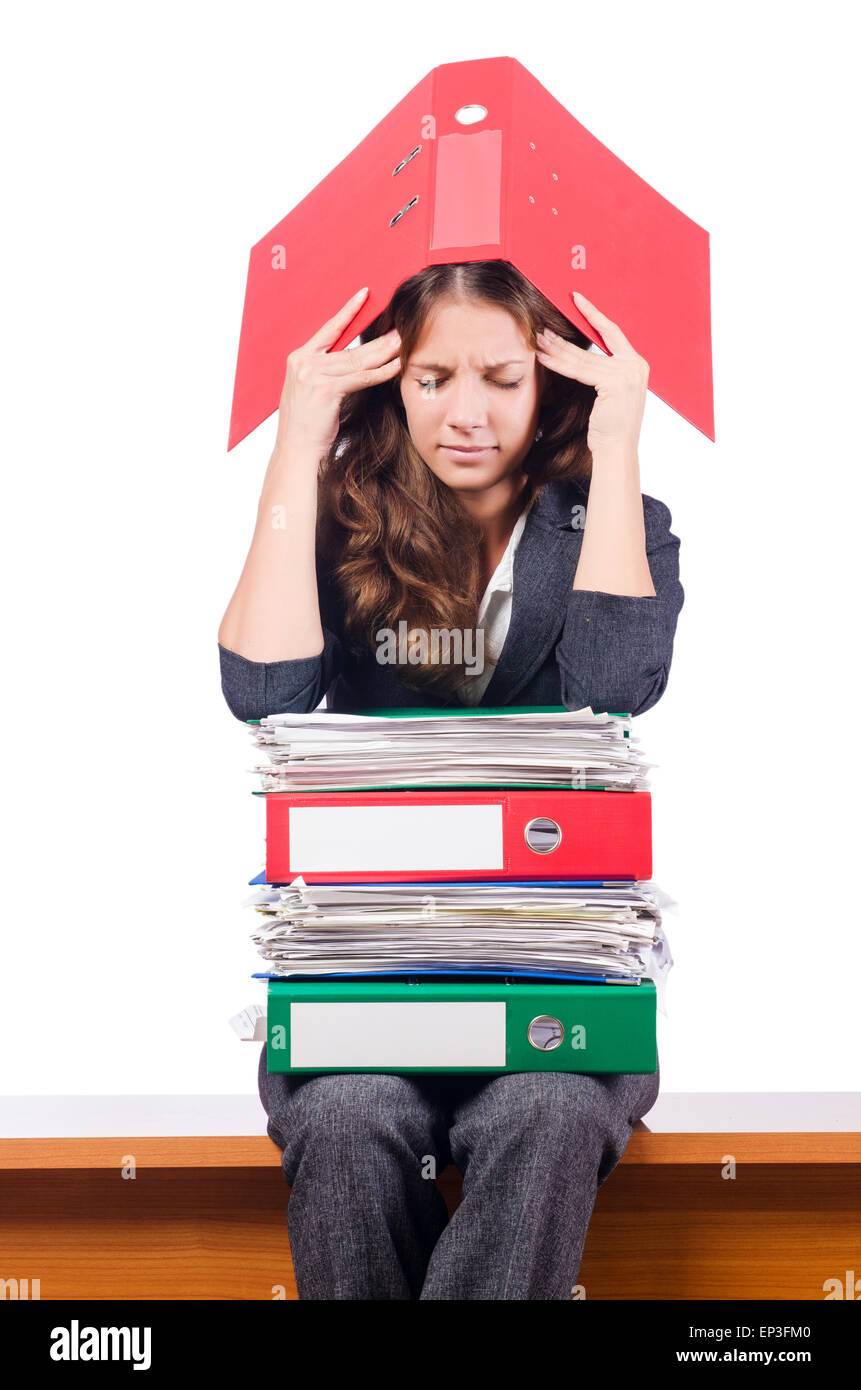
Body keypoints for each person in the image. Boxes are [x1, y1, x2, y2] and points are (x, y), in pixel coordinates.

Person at [217, 259, 683, 1300]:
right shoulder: (343, 516)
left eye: (501, 378)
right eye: (433, 378)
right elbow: (262, 688)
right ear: (392, 379)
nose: (465, 414)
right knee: (345, 1120)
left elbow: (611, 686)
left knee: (547, 1111)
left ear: (548, 377)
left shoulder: (617, 519)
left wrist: (616, 450)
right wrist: (297, 443)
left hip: (554, 990)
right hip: (367, 988)